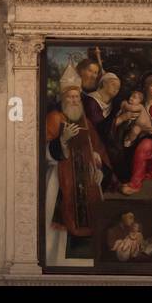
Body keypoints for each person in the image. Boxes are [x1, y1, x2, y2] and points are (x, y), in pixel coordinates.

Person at [45, 73, 111, 240]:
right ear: (63, 99)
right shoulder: (54, 118)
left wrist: (99, 168)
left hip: (87, 180)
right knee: (59, 238)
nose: (74, 100)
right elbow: (42, 153)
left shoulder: (86, 122)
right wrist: (62, 140)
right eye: (70, 97)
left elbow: (98, 149)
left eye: (77, 97)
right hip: (61, 179)